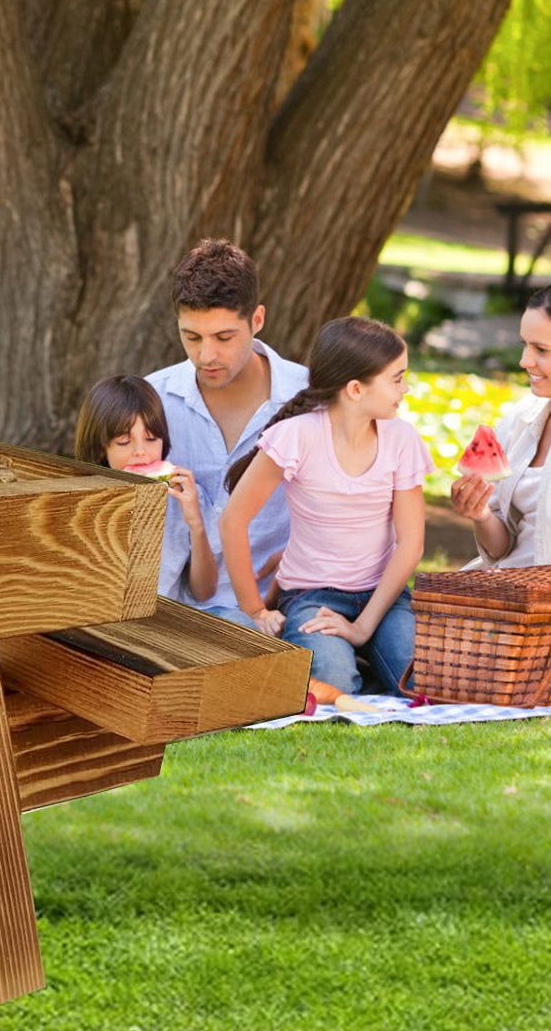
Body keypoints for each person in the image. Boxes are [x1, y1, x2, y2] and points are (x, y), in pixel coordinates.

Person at [220, 316, 432, 695]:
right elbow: (233, 520)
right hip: (312, 596)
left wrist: (363, 626)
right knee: (335, 686)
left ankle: (361, 649)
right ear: (355, 389)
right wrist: (255, 610)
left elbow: (410, 544)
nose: (407, 388)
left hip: (383, 594)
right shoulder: (296, 436)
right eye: (397, 379)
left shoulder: (402, 439)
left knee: (421, 683)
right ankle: (338, 658)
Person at [146, 240, 309, 623]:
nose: (206, 356)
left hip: (283, 605)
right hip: (171, 607)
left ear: (257, 320)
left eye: (224, 338)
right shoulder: (151, 400)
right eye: (192, 337)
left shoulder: (310, 398)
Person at [74, 375, 217, 603]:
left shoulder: (184, 497)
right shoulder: (77, 501)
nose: (140, 451)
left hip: (162, 621)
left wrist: (195, 524)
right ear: (100, 447)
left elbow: (204, 592)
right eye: (124, 441)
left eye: (151, 439)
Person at [451, 287, 551, 567]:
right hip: (504, 587)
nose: (524, 361)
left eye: (541, 350)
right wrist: (480, 513)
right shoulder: (520, 417)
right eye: (525, 345)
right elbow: (502, 548)